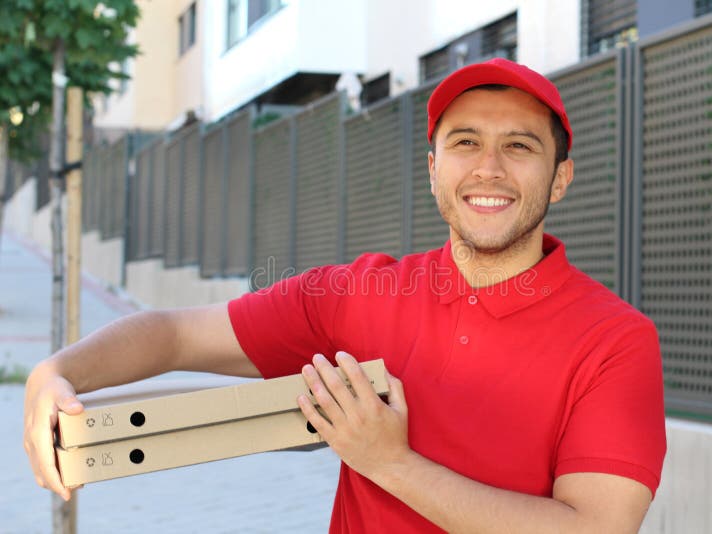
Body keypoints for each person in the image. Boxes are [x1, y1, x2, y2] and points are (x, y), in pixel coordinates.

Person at [24, 58, 666, 533]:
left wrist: (389, 462)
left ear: (560, 180)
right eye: (465, 142)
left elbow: (595, 529)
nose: (489, 168)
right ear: (434, 168)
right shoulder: (357, 295)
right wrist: (57, 372)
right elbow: (173, 334)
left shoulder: (614, 340)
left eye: (519, 147)